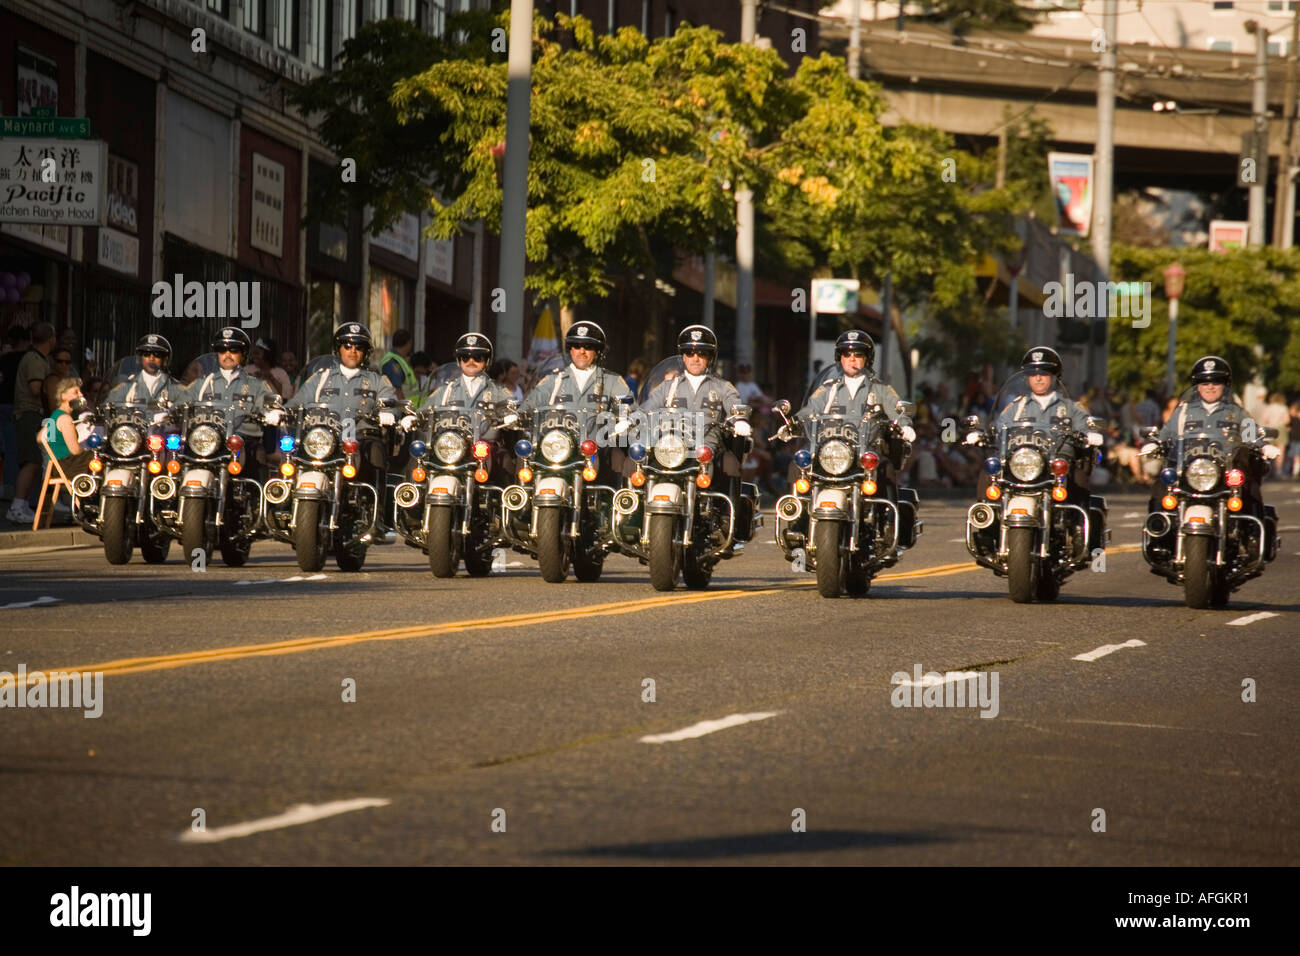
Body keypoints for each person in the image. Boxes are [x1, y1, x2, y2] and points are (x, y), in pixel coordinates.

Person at [1142, 356, 1280, 552]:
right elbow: (1166, 434)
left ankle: (1252, 537)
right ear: (1196, 385)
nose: (1210, 387)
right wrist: (1154, 443)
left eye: (1216, 382)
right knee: (1161, 487)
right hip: (1189, 470)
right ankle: (1158, 536)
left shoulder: (1236, 412)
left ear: (1225, 385)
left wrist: (1263, 446)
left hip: (1223, 470)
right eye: (1204, 382)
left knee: (1250, 486)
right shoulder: (1182, 412)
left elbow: (1251, 435)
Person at [969, 347, 1104, 546]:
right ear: (1026, 378)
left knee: (1078, 474)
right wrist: (982, 434)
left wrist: (1090, 434)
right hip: (1021, 462)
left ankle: (1077, 526)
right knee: (991, 467)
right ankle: (987, 523)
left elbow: (1086, 427)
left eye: (1044, 373)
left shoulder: (1070, 408)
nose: (1038, 378)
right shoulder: (1016, 407)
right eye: (1033, 373)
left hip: (1055, 463)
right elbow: (998, 428)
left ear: (1055, 376)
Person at [288, 324, 411, 526]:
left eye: (359, 347)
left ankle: (376, 517)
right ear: (339, 349)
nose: (352, 350)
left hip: (361, 437)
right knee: (293, 454)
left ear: (366, 352)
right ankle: (287, 507)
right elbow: (296, 402)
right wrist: (281, 411)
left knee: (376, 450)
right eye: (347, 345)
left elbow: (391, 402)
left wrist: (389, 413)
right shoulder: (320, 379)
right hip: (325, 437)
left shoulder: (376, 380)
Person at [642, 324, 755, 540]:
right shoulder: (668, 387)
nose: (695, 358)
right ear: (682, 357)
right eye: (690, 353)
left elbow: (734, 405)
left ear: (710, 358)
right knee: (643, 462)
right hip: (672, 448)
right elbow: (647, 407)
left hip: (706, 448)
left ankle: (726, 519)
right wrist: (628, 419)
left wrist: (739, 419)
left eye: (701, 353)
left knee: (731, 464)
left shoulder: (722, 386)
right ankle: (635, 519)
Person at [522, 322, 634, 481]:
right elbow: (530, 403)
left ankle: (615, 501)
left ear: (598, 351)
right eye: (576, 345)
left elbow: (629, 407)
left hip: (595, 449)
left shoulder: (612, 381)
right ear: (570, 349)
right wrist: (517, 414)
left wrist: (625, 419)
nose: (582, 351)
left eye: (588, 346)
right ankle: (522, 501)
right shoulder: (553, 380)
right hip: (556, 445)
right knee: (524, 457)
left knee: (618, 457)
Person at [182, 327, 282, 480]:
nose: (227, 354)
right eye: (222, 350)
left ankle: (254, 499)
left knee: (255, 458)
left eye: (233, 350)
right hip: (206, 438)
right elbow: (180, 401)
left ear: (243, 354)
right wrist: (166, 409)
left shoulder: (256, 385)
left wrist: (272, 412)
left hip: (242, 439)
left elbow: (270, 403)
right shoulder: (203, 384)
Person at [7, 322, 56, 524]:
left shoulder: (39, 359)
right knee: (31, 461)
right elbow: (36, 388)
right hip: (29, 413)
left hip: (34, 414)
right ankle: (17, 506)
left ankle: (24, 503)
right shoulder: (34, 360)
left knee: (35, 461)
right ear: (51, 340)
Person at [37, 377, 95, 522]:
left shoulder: (55, 415)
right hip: (66, 466)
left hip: (55, 465)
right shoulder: (65, 419)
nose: (81, 395)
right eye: (76, 392)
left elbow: (40, 437)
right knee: (99, 460)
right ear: (63, 396)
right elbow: (75, 450)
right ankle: (92, 510)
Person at [105, 334, 186, 406]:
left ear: (165, 360)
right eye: (146, 354)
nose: (151, 358)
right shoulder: (125, 387)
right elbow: (107, 410)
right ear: (140, 358)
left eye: (157, 355)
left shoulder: (177, 388)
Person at [379, 329, 419, 404]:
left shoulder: (400, 359)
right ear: (408, 343)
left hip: (408, 408)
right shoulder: (393, 361)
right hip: (399, 410)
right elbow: (397, 390)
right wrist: (404, 410)